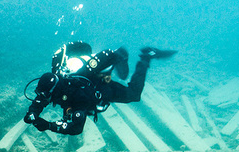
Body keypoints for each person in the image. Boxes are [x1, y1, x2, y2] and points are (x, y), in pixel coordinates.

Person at [23, 41, 175, 135]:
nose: (43, 98)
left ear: (56, 91)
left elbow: (76, 129)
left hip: (100, 89)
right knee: (123, 80)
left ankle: (146, 57)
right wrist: (32, 113)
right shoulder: (55, 81)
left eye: (46, 96)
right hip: (89, 78)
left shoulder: (78, 95)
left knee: (133, 95)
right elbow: (41, 99)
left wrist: (49, 125)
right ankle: (122, 57)